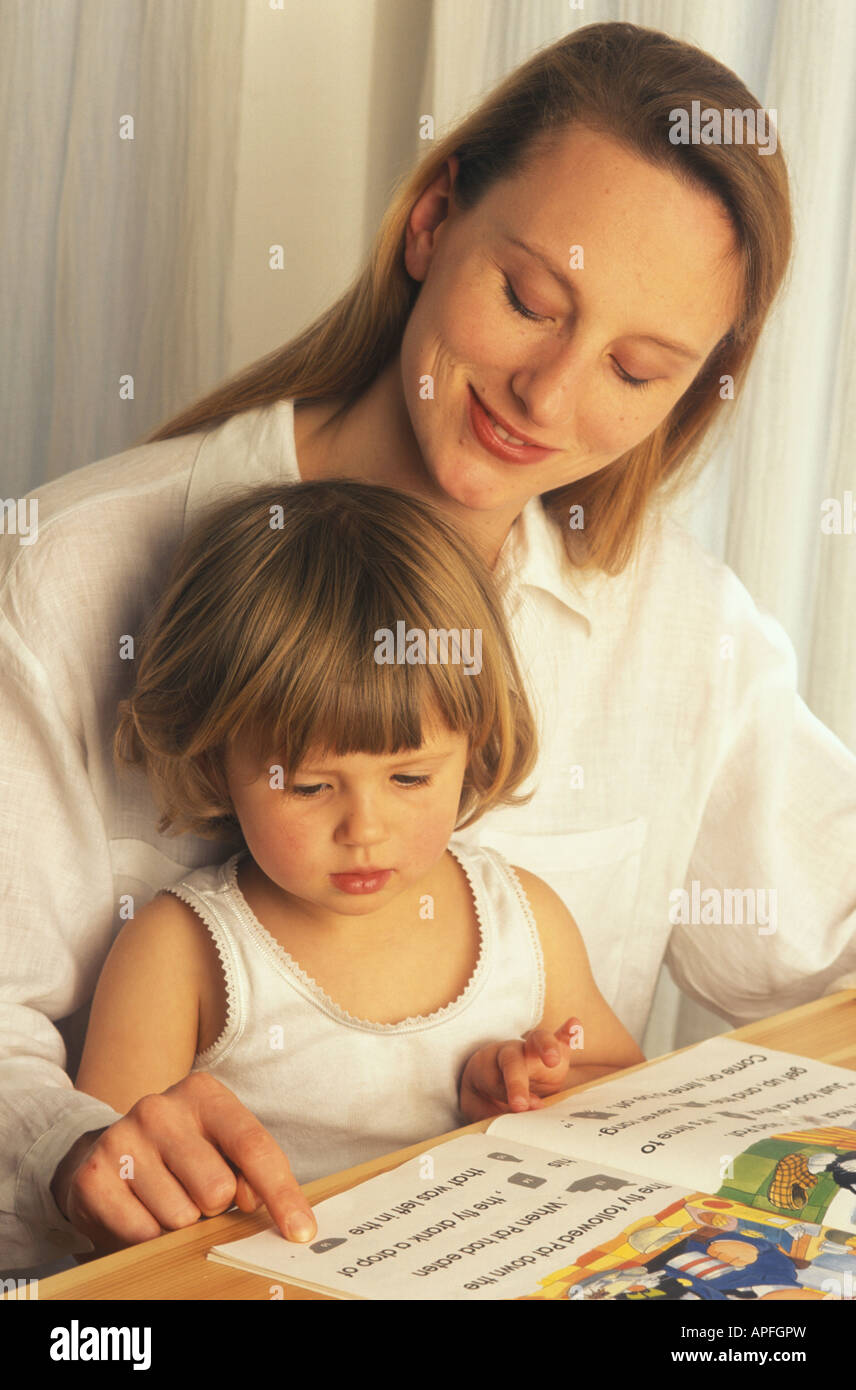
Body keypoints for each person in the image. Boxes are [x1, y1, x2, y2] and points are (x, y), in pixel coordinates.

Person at [1, 21, 854, 1271]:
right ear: (430, 220)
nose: (547, 398)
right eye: (526, 301)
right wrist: (75, 1145)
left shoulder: (688, 632)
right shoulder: (74, 568)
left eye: (634, 367)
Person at [73, 478, 645, 1237]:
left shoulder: (522, 920)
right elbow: (112, 1204)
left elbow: (627, 1097)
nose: (364, 828)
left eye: (410, 777)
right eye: (309, 787)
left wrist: (531, 1090)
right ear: (218, 765)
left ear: (474, 745)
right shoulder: (182, 951)